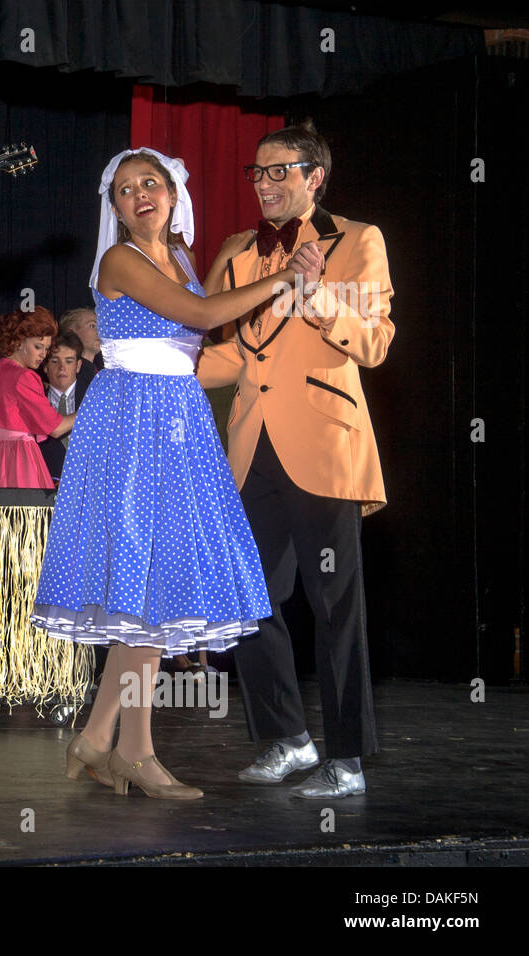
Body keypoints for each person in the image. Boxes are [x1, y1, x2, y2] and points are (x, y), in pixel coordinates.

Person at [32, 148, 320, 799]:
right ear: (115, 206)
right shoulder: (120, 261)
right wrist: (280, 281)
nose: (139, 195)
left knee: (152, 592)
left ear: (171, 193)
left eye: (151, 183)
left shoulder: (184, 260)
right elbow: (201, 317)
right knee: (147, 591)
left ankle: (100, 740)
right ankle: (129, 748)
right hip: (136, 419)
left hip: (177, 417)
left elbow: (208, 326)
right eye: (125, 189)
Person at [197, 121, 394, 799]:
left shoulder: (357, 241)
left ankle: (346, 759)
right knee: (248, 598)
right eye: (257, 172)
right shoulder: (234, 253)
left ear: (315, 177)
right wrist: (159, 372)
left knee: (335, 603)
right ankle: (288, 736)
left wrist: (315, 295)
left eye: (280, 171)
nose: (265, 183)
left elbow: (373, 344)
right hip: (253, 447)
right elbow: (232, 356)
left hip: (324, 443)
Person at [0, 307, 74, 489]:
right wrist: (90, 410)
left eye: (47, 349)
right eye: (37, 347)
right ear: (18, 343)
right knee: (25, 514)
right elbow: (56, 428)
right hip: (20, 462)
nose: (43, 354)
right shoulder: (25, 377)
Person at [37, 329, 95, 484]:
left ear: (78, 366)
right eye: (55, 361)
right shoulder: (35, 399)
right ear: (45, 366)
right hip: (45, 488)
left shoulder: (95, 399)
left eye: (69, 361)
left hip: (89, 484)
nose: (62, 368)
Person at [59, 307, 104, 372]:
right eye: (92, 326)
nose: (100, 332)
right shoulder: (67, 373)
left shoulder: (98, 372)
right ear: (71, 332)